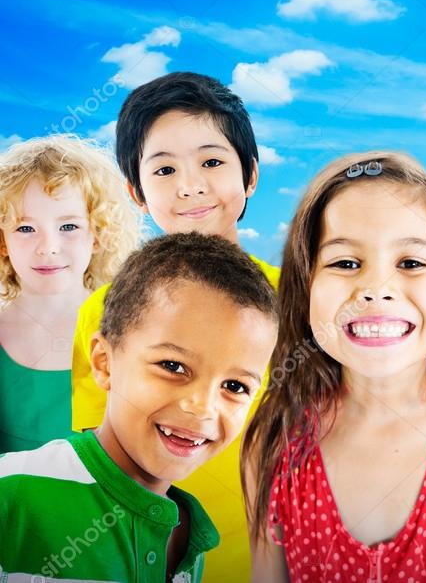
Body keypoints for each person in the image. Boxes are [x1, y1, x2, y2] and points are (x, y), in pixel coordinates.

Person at [244, 152, 426, 583]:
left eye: (411, 263)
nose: (376, 290)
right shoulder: (276, 437)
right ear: (305, 297)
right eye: (345, 263)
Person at [69, 71, 278, 581]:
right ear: (136, 192)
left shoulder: (298, 297)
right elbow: (96, 456)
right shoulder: (104, 309)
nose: (190, 186)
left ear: (249, 174)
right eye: (163, 170)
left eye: (211, 161)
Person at [0, 232, 278, 582]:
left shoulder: (192, 538)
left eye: (235, 386)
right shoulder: (10, 494)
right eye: (173, 366)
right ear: (103, 363)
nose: (202, 408)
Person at [0, 135, 140, 452]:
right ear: (3, 241)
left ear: (97, 234)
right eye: (25, 228)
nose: (48, 247)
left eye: (68, 227)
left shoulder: (131, 333)